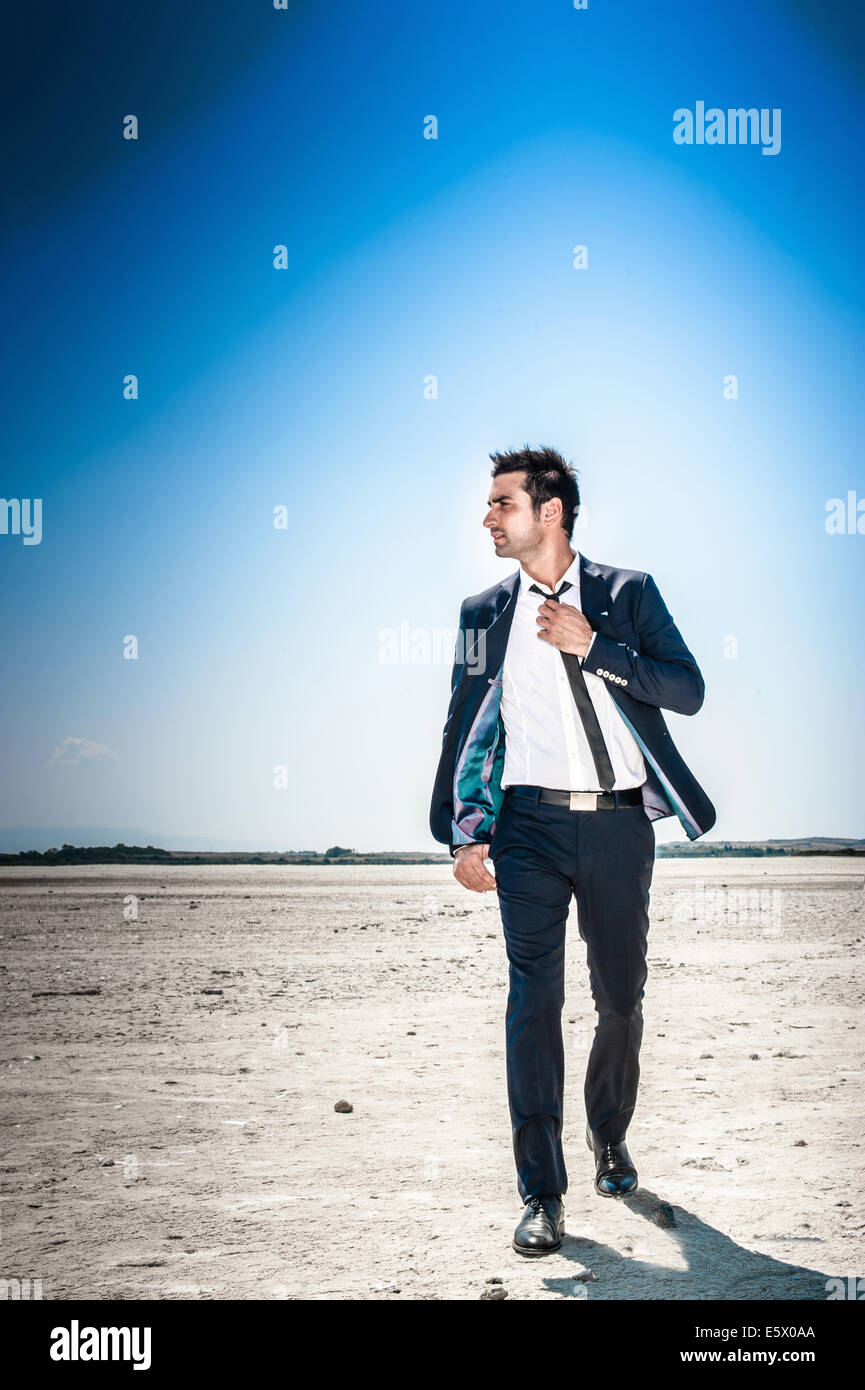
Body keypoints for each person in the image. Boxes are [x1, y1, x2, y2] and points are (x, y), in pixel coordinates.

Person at [429, 445, 715, 1256]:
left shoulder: (627, 595)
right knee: (533, 1002)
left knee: (620, 997)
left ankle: (608, 1136)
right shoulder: (483, 613)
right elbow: (465, 726)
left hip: (620, 825)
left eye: (501, 504)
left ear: (548, 512)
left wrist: (596, 647)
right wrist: (466, 829)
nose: (487, 518)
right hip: (527, 830)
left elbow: (686, 691)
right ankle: (542, 1193)